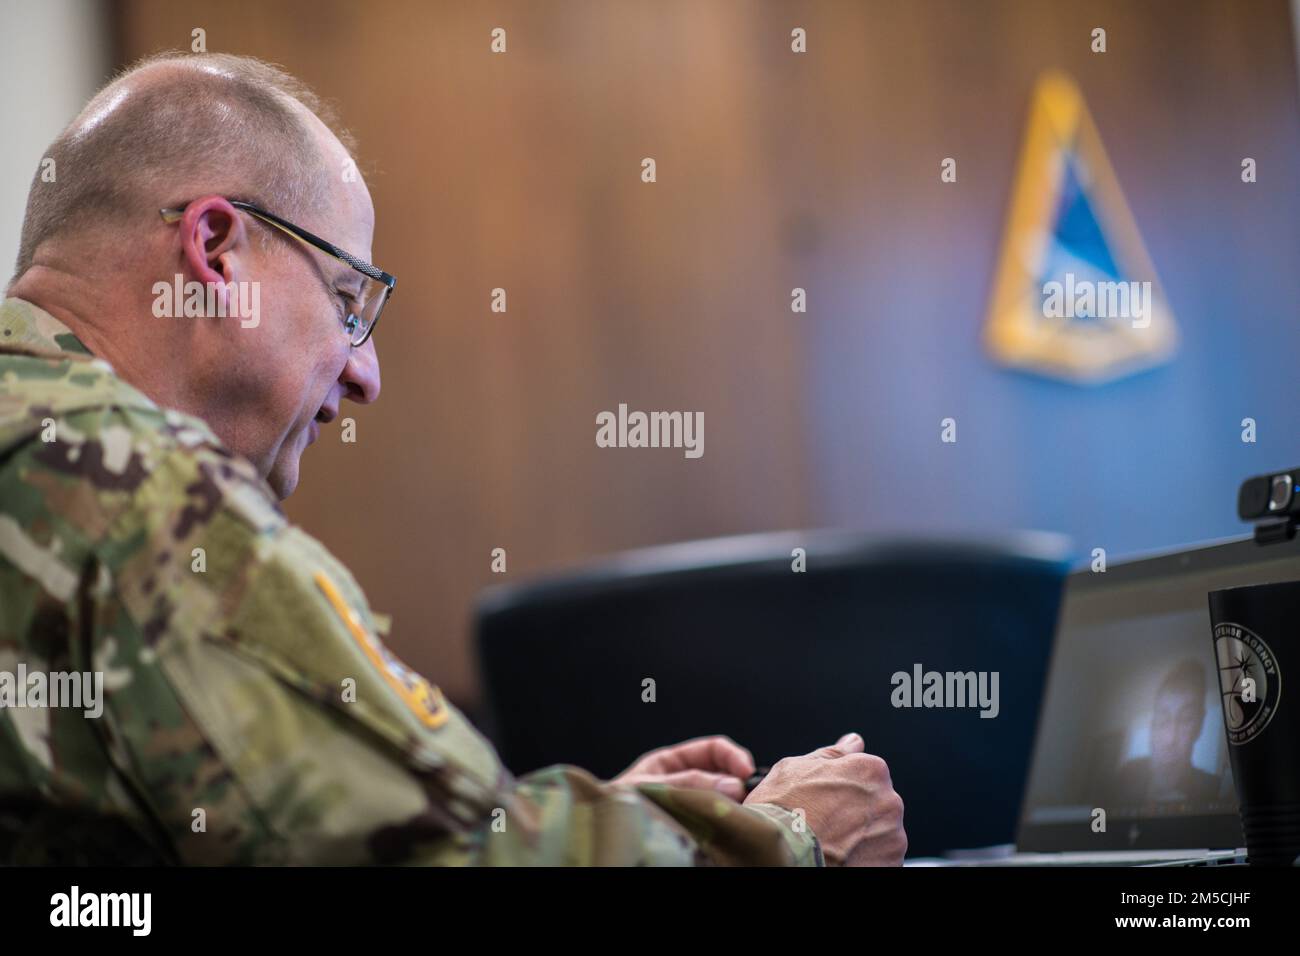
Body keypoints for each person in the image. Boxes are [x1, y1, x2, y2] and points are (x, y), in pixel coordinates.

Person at [0, 52, 906, 866]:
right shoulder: (147, 497)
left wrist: (546, 826)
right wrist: (781, 841)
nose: (366, 375)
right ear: (215, 249)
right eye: (349, 301)